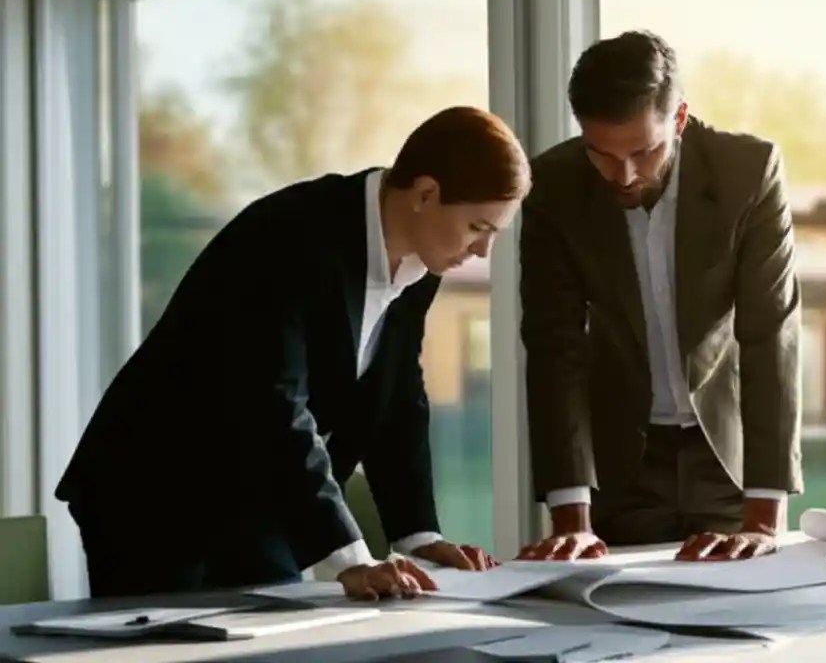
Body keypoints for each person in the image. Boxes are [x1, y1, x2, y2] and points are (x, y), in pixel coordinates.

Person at [56, 106, 529, 600]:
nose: (481, 253)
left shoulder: (420, 265)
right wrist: (351, 560)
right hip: (155, 488)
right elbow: (273, 401)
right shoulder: (293, 236)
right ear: (426, 194)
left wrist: (419, 536)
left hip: (254, 490)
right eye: (478, 228)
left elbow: (398, 398)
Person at [517, 30, 802, 563]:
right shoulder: (553, 186)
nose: (622, 176)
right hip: (621, 465)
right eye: (600, 154)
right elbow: (556, 350)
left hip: (725, 459)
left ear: (680, 119)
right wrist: (571, 518)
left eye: (643, 153)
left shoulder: (749, 172)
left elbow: (771, 336)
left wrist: (765, 519)